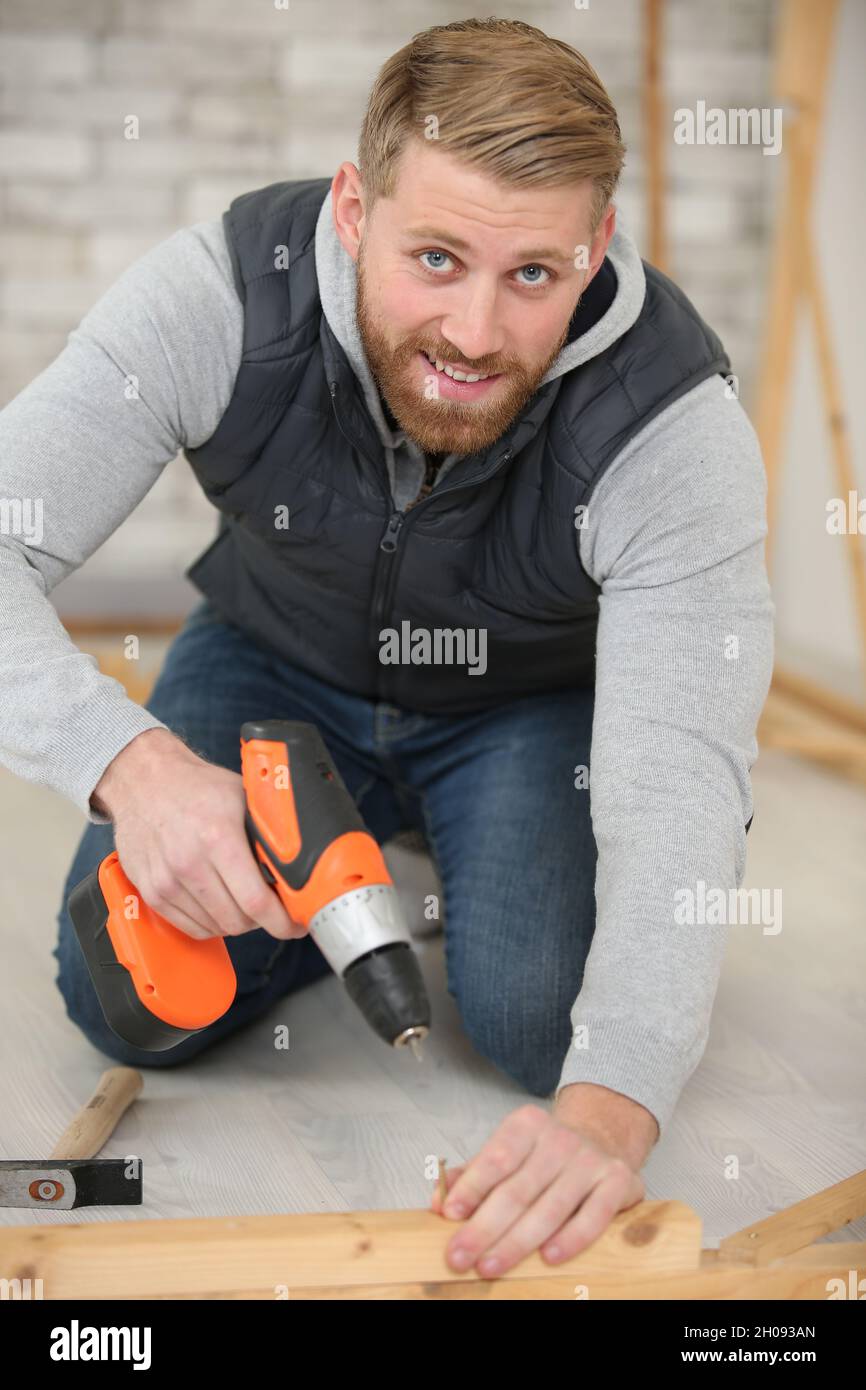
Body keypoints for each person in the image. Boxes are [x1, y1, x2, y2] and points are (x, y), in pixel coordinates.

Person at [0, 18, 773, 1277]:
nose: (473, 332)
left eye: (534, 273)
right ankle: (362, 868)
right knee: (131, 1002)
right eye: (435, 256)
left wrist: (609, 1106)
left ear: (599, 245)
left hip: (518, 712)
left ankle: (408, 870)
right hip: (271, 668)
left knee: (543, 1027)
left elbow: (678, 780)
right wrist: (131, 766)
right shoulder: (214, 300)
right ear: (353, 207)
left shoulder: (670, 424)